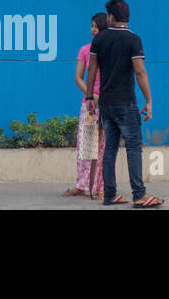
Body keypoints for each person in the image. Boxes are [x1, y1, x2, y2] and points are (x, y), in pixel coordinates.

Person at [83, 0, 163, 208]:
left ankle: (110, 194)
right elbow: (139, 71)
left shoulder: (99, 40)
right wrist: (149, 99)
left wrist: (90, 97)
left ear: (111, 17)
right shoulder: (133, 40)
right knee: (134, 147)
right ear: (126, 17)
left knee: (110, 148)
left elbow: (91, 69)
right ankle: (139, 194)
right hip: (126, 103)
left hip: (106, 104)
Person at [63, 12, 109, 199]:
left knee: (105, 148)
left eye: (96, 27)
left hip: (107, 105)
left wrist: (103, 98)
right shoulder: (84, 50)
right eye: (91, 26)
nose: (92, 30)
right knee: (86, 146)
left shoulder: (111, 53)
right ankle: (81, 185)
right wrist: (91, 96)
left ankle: (100, 186)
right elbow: (78, 78)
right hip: (89, 105)